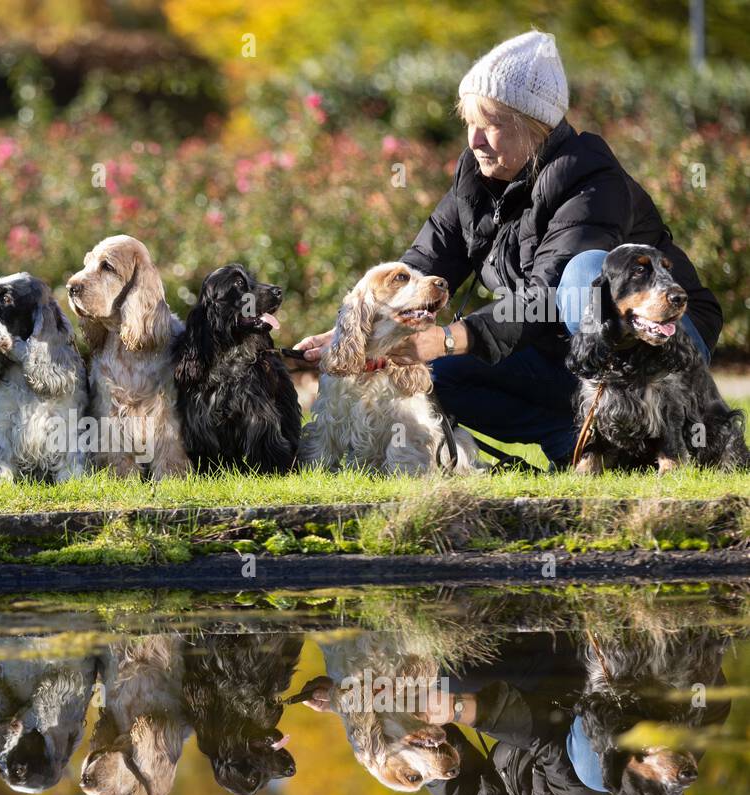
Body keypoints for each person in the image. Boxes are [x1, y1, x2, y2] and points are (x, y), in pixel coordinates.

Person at [293, 30, 722, 467]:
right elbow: (425, 260)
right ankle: (579, 446)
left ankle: (671, 437)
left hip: (664, 343)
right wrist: (364, 327)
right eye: (470, 124)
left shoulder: (592, 180)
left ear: (535, 126)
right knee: (437, 376)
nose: (474, 140)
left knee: (583, 274)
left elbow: (548, 293)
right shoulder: (474, 176)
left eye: (491, 125)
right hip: (563, 355)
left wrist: (447, 337)